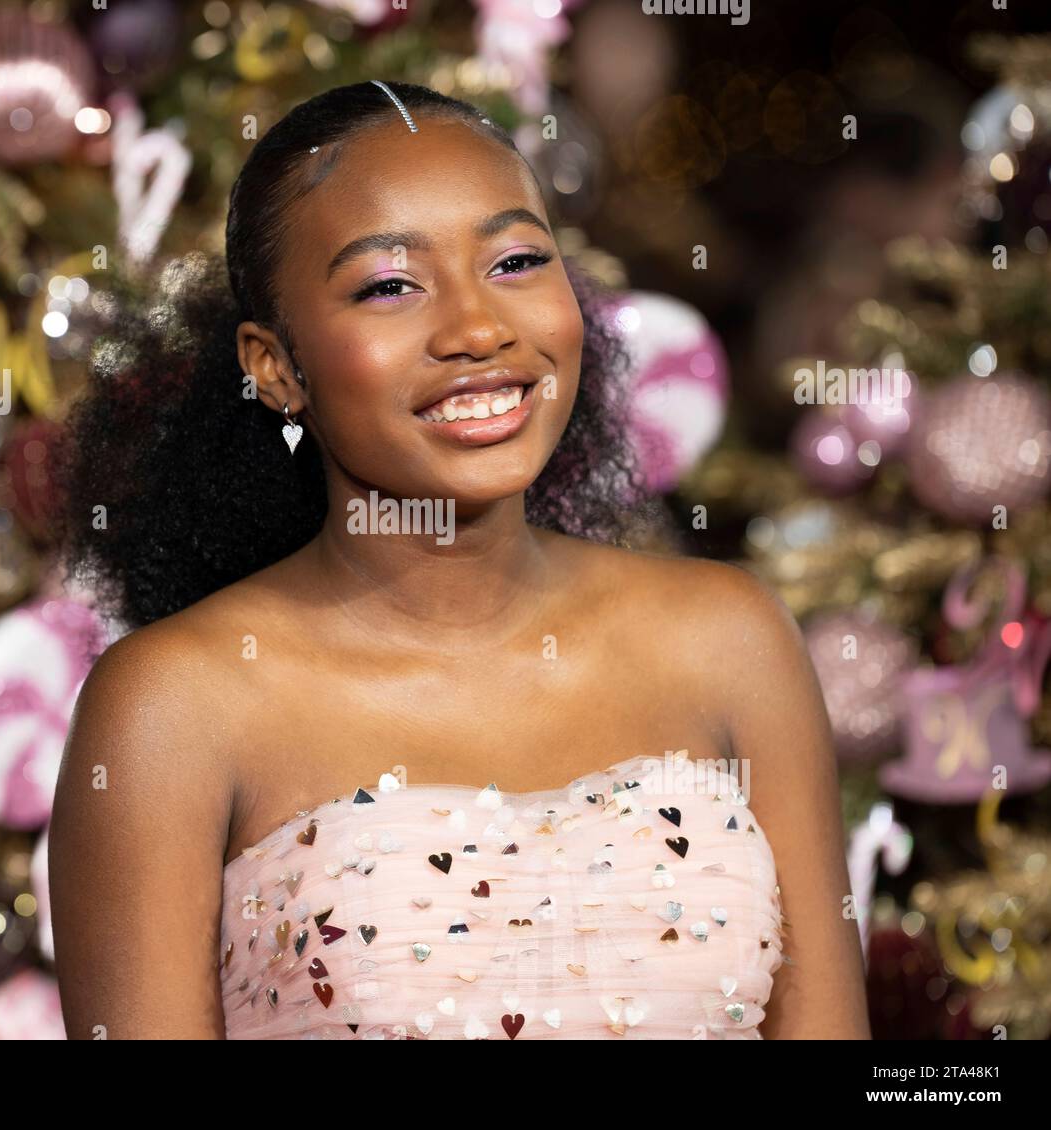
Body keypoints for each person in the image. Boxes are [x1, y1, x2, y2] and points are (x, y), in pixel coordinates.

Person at [48, 80, 869, 1040]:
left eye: (517, 261)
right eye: (391, 285)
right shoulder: (173, 707)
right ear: (275, 367)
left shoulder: (731, 638)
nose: (479, 331)